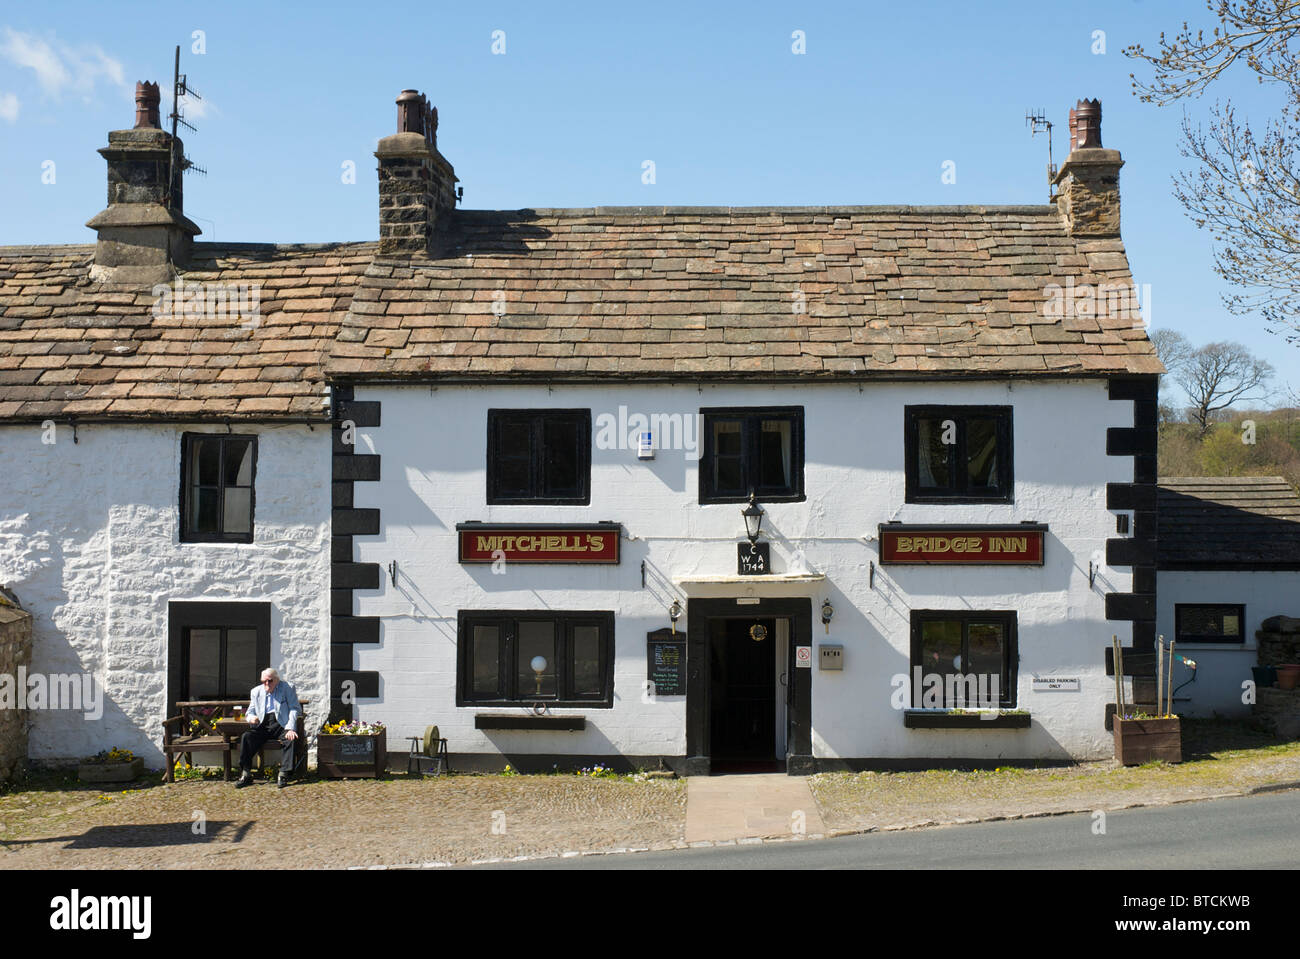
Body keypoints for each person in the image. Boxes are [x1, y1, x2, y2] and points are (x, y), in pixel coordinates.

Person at [236, 668, 300, 788]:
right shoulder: (256, 691)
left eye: (269, 681)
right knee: (246, 737)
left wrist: (291, 727)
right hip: (263, 724)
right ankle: (246, 773)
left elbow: (294, 708)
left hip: (281, 723)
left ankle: (284, 774)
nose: (266, 684)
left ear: (277, 680)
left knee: (290, 738)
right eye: (263, 681)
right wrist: (251, 718)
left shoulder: (287, 687)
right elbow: (249, 712)